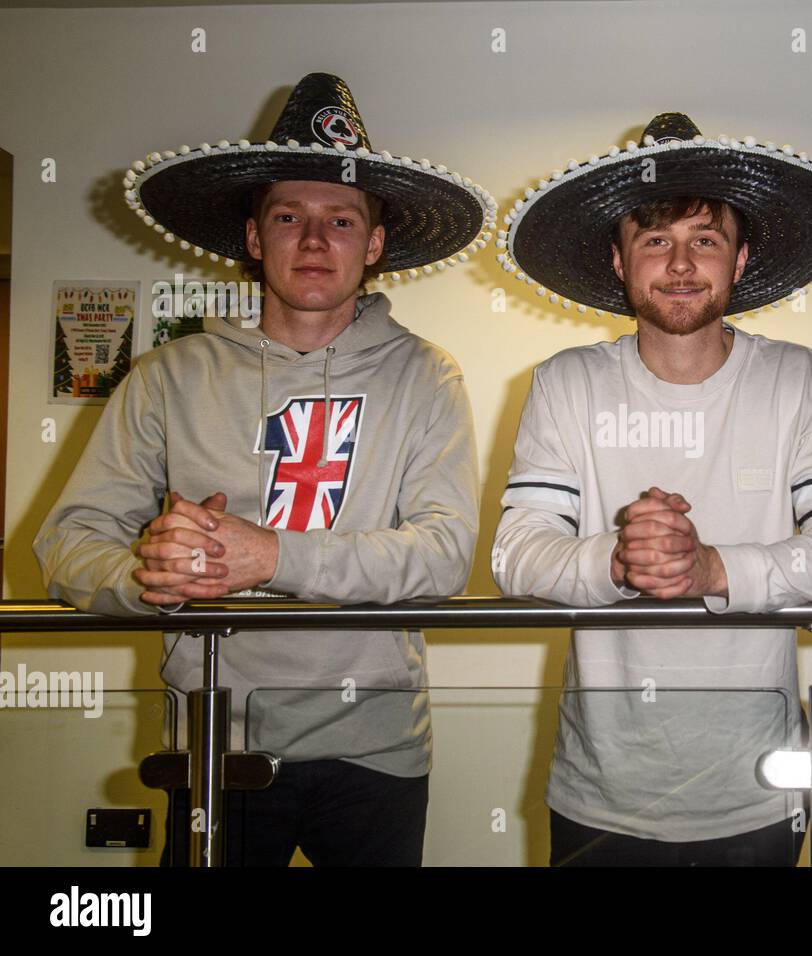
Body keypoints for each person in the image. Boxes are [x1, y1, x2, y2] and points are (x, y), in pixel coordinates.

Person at [33, 72, 496, 866]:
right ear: (253, 238)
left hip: (375, 749)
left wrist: (269, 555)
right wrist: (150, 575)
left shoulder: (427, 375)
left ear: (375, 245)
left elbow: (445, 554)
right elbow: (67, 543)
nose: (314, 242)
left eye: (341, 221)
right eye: (288, 217)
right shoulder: (169, 377)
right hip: (215, 742)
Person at [493, 112, 812, 865]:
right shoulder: (566, 383)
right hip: (597, 794)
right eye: (655, 241)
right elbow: (514, 556)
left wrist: (710, 568)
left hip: (760, 790)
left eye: (705, 240)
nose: (680, 264)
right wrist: (618, 560)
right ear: (619, 260)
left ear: (740, 261)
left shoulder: (802, 379)